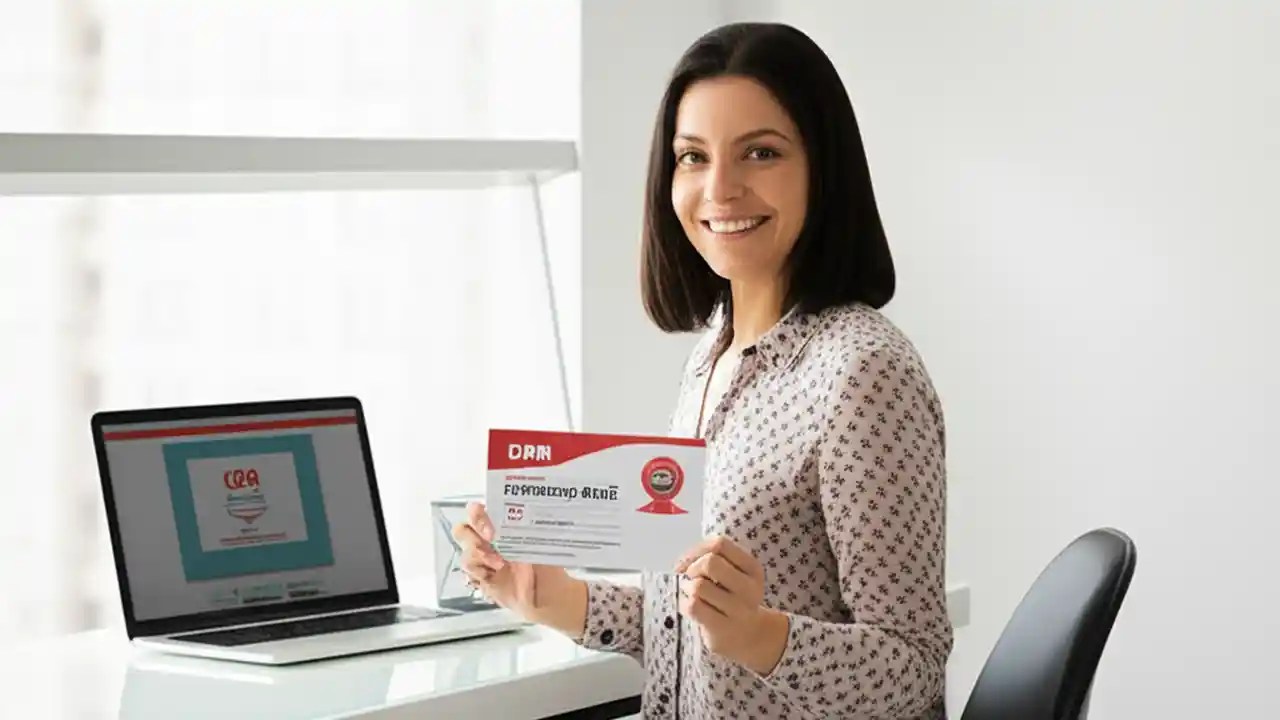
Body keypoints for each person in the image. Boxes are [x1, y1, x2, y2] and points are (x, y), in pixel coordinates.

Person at [453, 21, 952, 719]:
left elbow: (912, 667)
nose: (721, 189)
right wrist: (550, 596)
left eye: (761, 152)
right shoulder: (714, 350)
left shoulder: (862, 373)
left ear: (823, 167)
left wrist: (759, 636)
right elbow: (688, 628)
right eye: (693, 157)